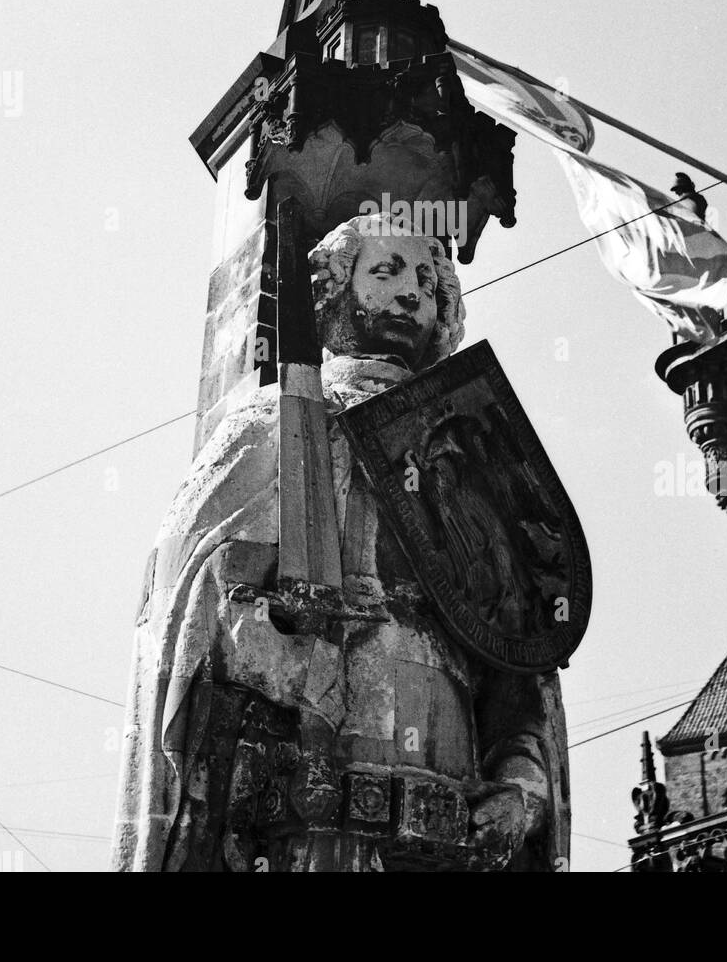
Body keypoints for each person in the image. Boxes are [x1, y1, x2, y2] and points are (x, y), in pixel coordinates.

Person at [111, 212, 570, 871]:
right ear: (333, 290)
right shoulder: (274, 425)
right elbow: (187, 596)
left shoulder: (475, 454)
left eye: (427, 282)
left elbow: (517, 670)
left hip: (451, 822)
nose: (412, 293)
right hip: (312, 808)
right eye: (385, 272)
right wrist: (282, 656)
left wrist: (524, 788)